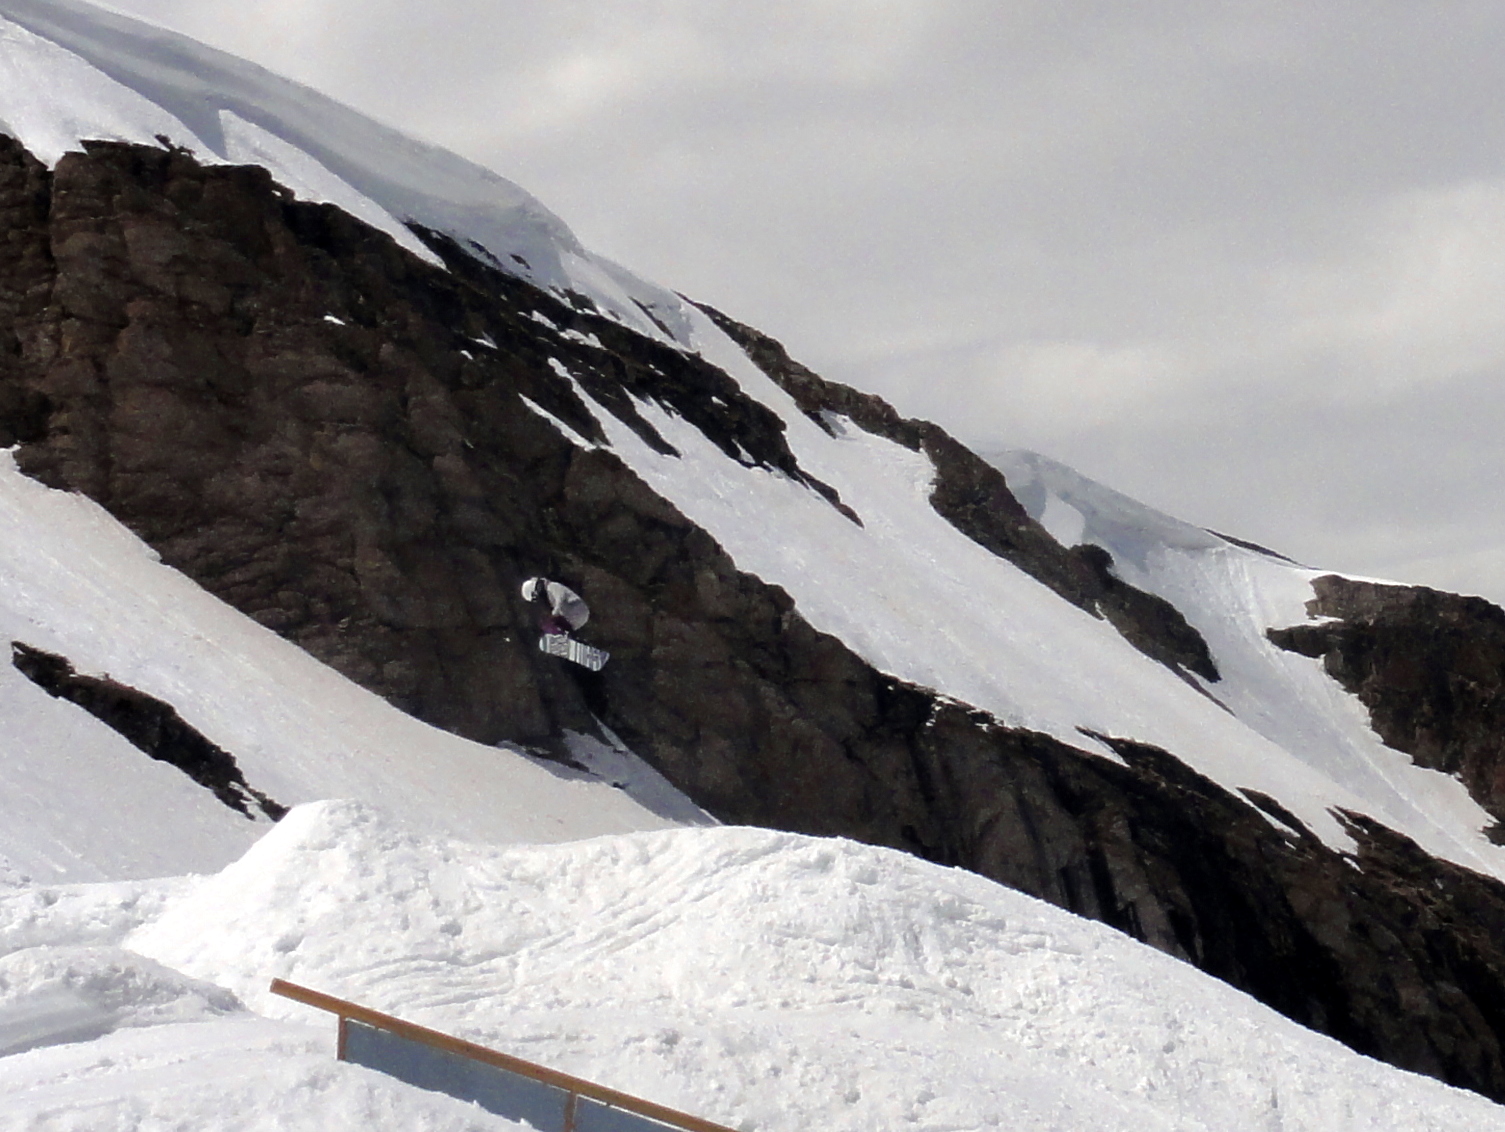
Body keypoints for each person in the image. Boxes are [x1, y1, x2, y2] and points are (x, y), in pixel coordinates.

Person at [521, 577, 590, 638]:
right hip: (576, 618)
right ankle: (565, 637)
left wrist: (554, 614)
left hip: (576, 607)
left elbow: (561, 598)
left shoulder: (551, 586)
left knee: (550, 622)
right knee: (552, 624)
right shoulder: (548, 595)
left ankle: (560, 635)